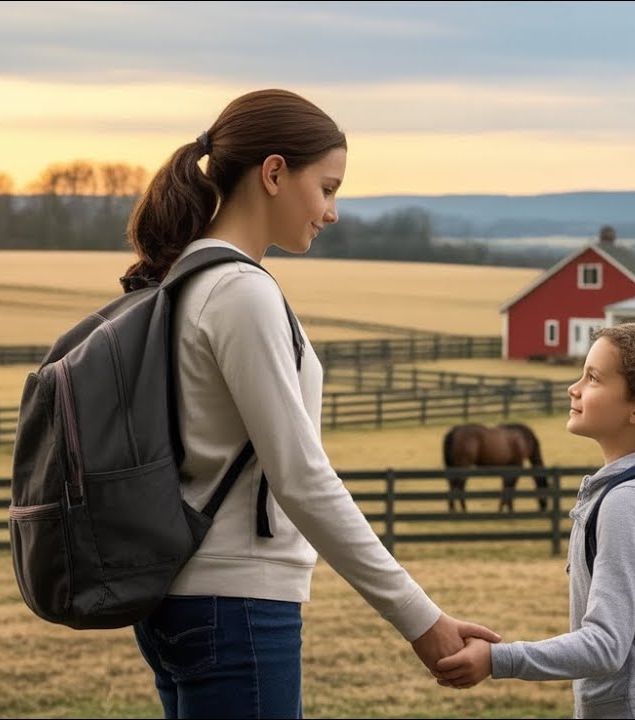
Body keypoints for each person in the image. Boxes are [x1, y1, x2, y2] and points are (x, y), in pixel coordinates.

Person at [123, 88, 499, 719]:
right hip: (236, 604)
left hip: (180, 599)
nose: (332, 212)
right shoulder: (242, 292)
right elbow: (300, 477)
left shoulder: (182, 278)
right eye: (327, 188)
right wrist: (420, 618)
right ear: (273, 173)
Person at [435, 323, 635, 719]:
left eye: (593, 378)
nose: (574, 387)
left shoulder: (631, 502)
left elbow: (606, 645)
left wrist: (498, 659)